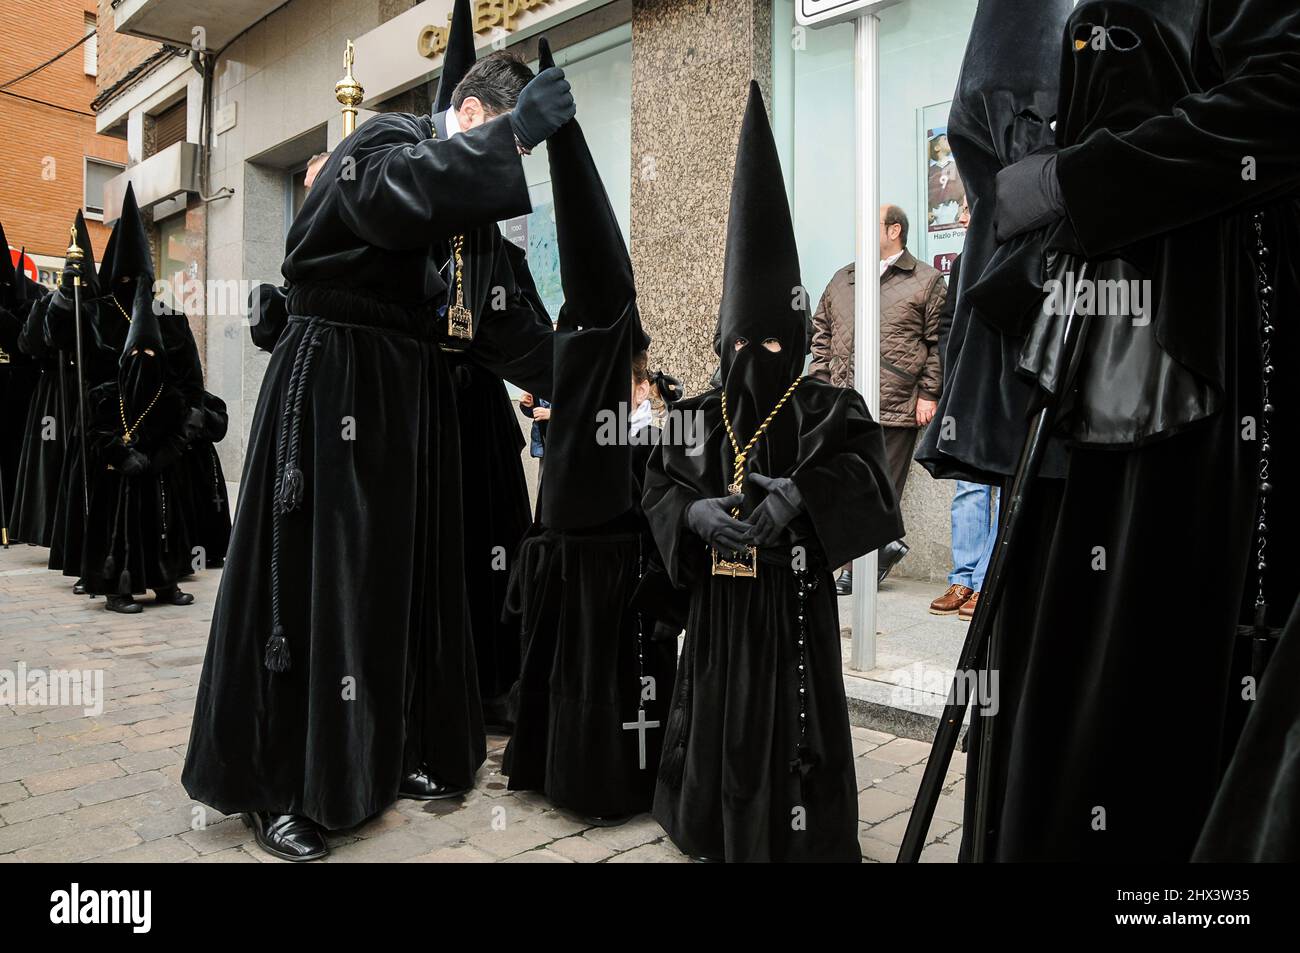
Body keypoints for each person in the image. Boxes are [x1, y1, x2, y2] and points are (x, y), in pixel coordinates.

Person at [182, 49, 572, 862]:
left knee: (383, 588)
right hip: (330, 383)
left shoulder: (466, 221)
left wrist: (602, 376)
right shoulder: (385, 142)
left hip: (403, 406)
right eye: (504, 138)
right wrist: (516, 140)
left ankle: (383, 753)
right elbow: (388, 199)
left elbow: (508, 332)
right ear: (469, 118)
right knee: (309, 583)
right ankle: (279, 786)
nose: (505, 162)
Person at [943, 0, 1300, 861]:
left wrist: (1080, 180)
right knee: (1059, 690)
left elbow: (1284, 98)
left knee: (1142, 702)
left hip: (1193, 391)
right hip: (1074, 383)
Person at [643, 83, 902, 862]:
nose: (755, 362)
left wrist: (800, 499)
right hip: (721, 618)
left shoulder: (829, 407)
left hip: (795, 609)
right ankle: (710, 824)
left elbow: (869, 481)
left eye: (775, 347)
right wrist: (692, 516)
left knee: (799, 729)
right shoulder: (697, 410)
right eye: (740, 346)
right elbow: (656, 485)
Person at [503, 40, 676, 820]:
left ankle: (580, 769)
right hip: (574, 527)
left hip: (601, 530)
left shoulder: (599, 329)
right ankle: (575, 769)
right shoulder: (577, 331)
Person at [810, 204, 945, 594]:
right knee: (844, 482)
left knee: (882, 486)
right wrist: (822, 387)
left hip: (896, 401)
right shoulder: (842, 280)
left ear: (893, 230)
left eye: (868, 226)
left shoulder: (927, 280)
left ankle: (861, 562)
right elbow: (821, 335)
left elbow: (937, 343)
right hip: (844, 401)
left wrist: (928, 393)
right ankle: (880, 547)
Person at [80, 277, 198, 612]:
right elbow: (95, 434)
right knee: (119, 535)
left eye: (150, 352)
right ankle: (117, 589)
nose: (142, 358)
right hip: (118, 481)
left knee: (163, 529)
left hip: (158, 479)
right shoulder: (104, 395)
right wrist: (121, 455)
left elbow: (179, 436)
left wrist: (158, 459)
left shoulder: (170, 397)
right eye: (136, 352)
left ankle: (164, 582)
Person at [2, 229, 51, 546]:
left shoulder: (33, 294)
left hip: (20, 392)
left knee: (17, 456)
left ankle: (15, 523)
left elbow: (35, 344)